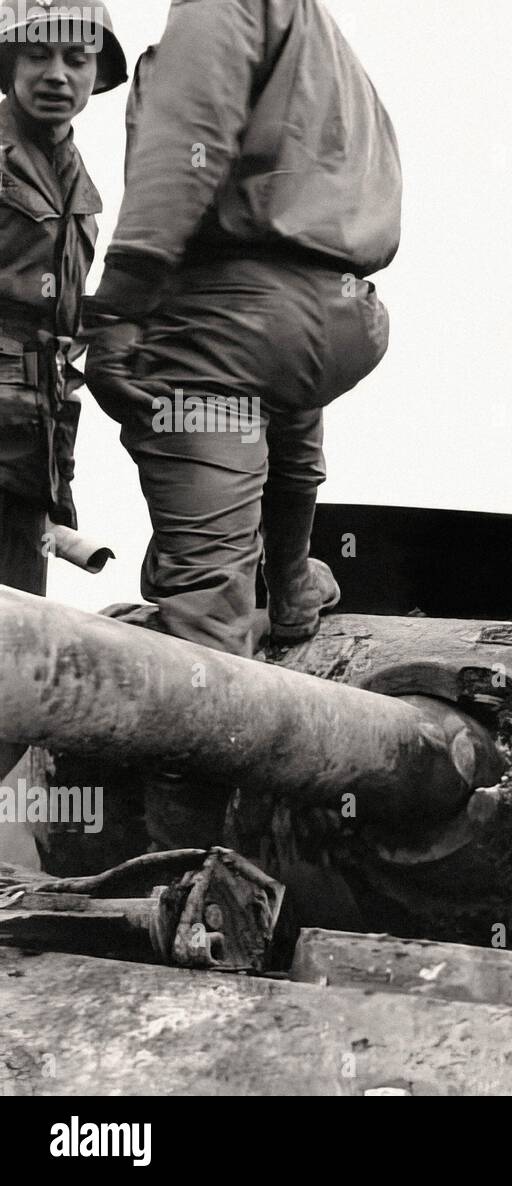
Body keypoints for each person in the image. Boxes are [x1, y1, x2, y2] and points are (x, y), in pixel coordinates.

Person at [83, 0, 402, 658]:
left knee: (203, 597)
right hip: (341, 312)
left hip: (235, 318)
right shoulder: (320, 40)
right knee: (274, 380)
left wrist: (117, 310)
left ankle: (206, 634)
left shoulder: (218, 7)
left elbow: (184, 149)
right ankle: (290, 581)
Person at [0, 0, 126, 783]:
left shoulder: (78, 175)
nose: (57, 74)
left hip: (34, 448)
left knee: (21, 667)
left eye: (76, 60)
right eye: (38, 56)